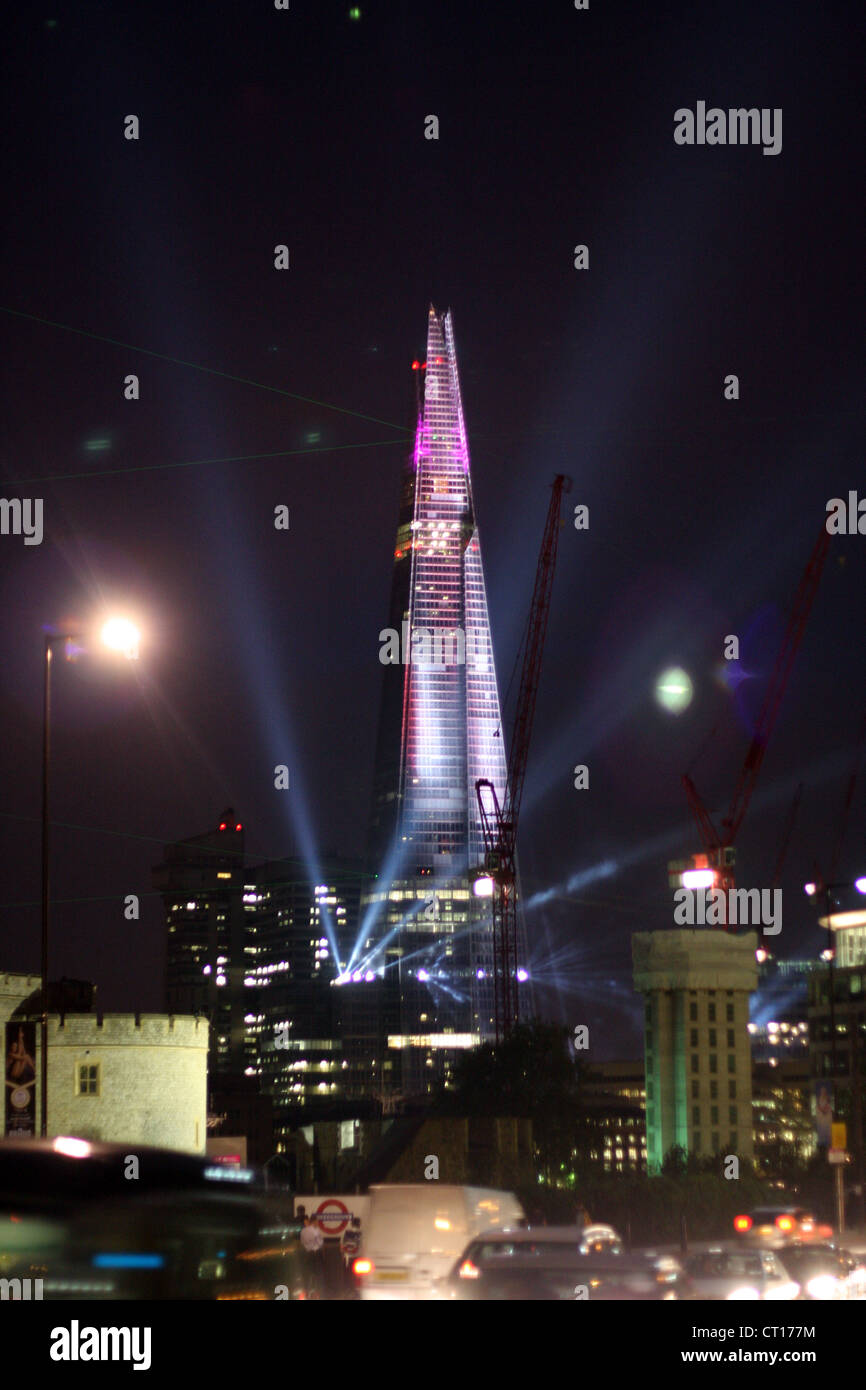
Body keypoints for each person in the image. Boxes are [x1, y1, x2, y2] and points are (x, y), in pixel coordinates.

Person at [300, 1215, 324, 1293]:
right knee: (317, 1273)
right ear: (314, 1221)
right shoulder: (316, 1230)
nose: (318, 1223)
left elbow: (302, 1242)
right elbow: (320, 1243)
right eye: (317, 1221)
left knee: (308, 1272)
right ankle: (317, 1291)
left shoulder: (303, 1231)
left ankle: (307, 1290)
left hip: (307, 1254)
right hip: (315, 1254)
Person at [340, 1217, 362, 1294]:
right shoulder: (361, 1233)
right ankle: (355, 1290)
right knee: (357, 1275)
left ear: (351, 1224)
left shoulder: (346, 1232)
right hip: (357, 1257)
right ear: (359, 1224)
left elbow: (342, 1244)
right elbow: (361, 1245)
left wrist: (345, 1251)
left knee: (347, 1274)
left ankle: (347, 1289)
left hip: (347, 1257)